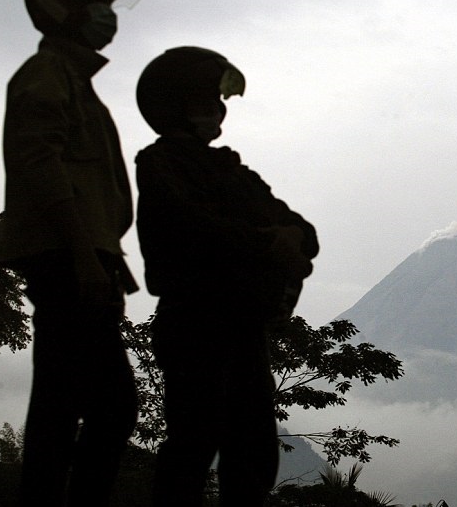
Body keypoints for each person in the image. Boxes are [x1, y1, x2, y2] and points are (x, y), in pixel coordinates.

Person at [134, 46, 319, 506]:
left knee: (253, 447)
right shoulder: (160, 163)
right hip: (195, 319)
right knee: (194, 442)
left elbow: (304, 232)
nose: (218, 110)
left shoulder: (233, 171)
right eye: (207, 100)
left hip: (242, 324)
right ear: (178, 104)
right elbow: (190, 225)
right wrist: (269, 241)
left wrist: (281, 237)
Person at [0, 0, 145, 507]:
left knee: (62, 401)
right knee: (108, 406)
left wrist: (107, 259)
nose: (108, 15)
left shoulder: (72, 80)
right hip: (68, 260)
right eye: (100, 3)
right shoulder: (47, 77)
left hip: (83, 258)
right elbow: (41, 169)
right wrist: (86, 256)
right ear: (67, 10)